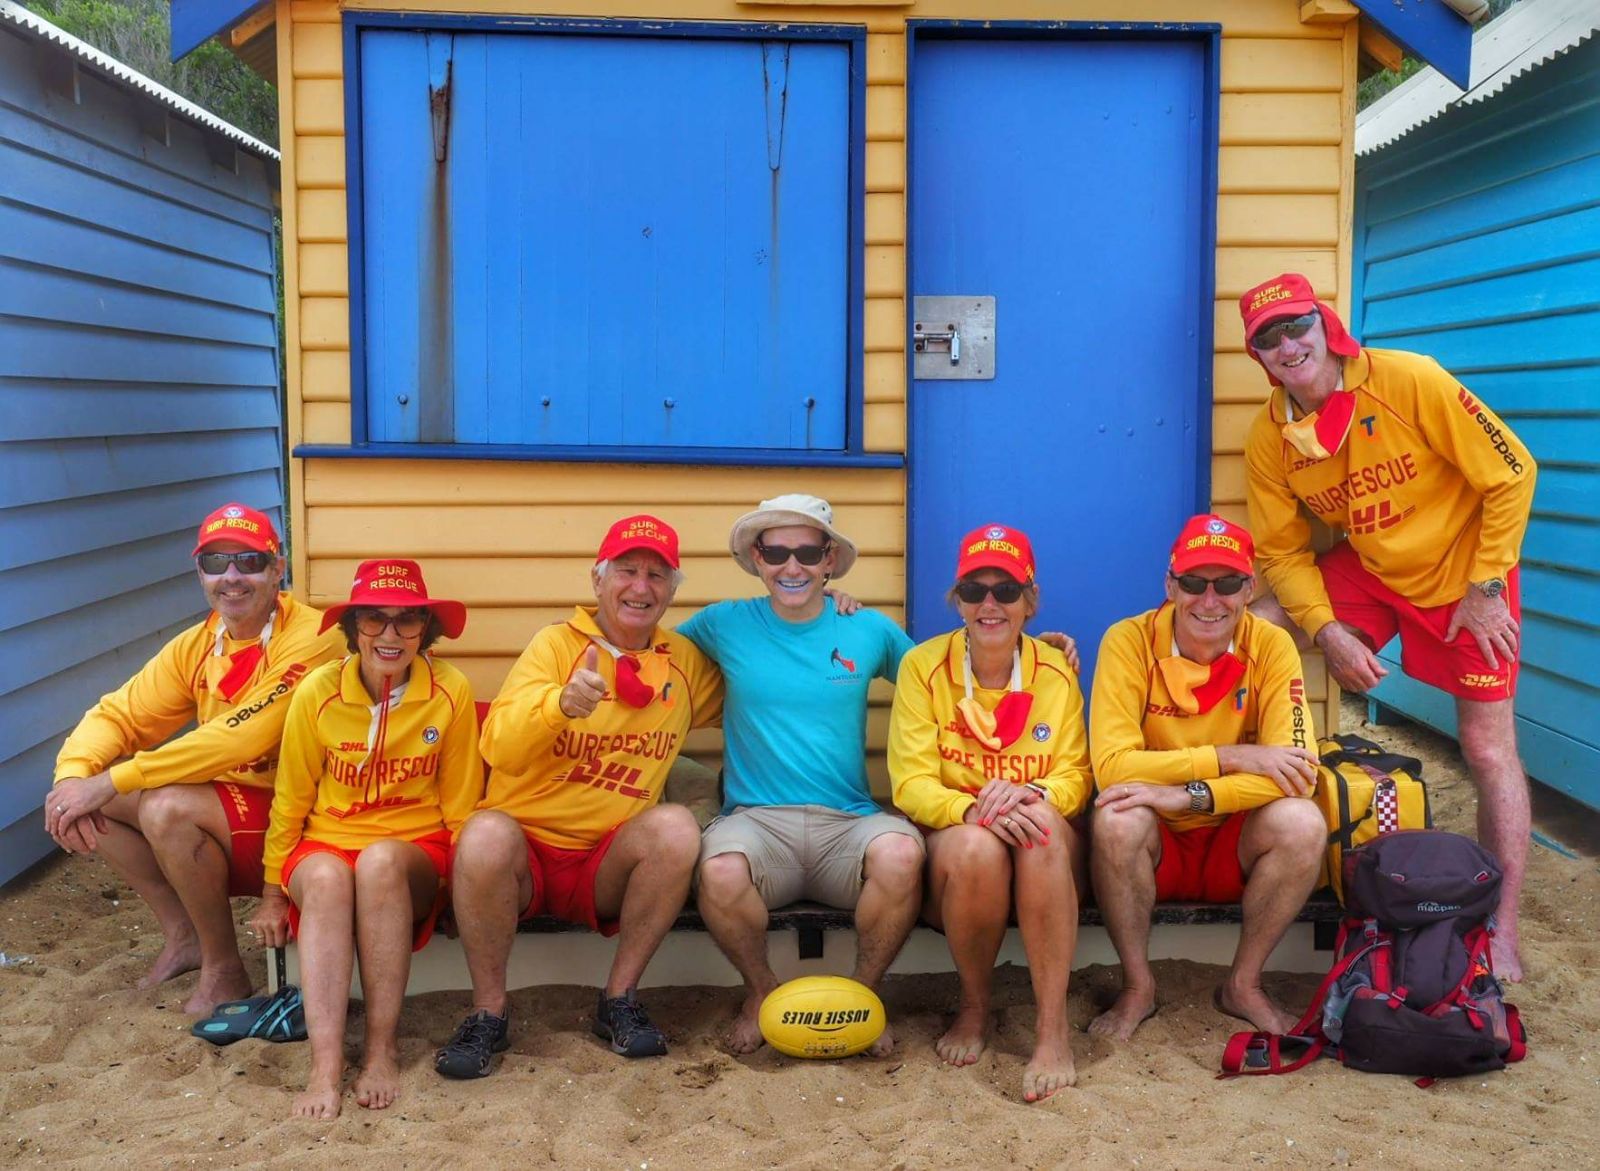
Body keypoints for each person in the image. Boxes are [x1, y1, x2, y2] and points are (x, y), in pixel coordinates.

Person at [1239, 273, 1538, 979]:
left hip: (1468, 575)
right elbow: (1281, 550)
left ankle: (1501, 926)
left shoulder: (1408, 380)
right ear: (1257, 354)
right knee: (1262, 619)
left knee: (1488, 748)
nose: (1288, 345)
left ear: (1324, 325)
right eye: (1268, 337)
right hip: (1375, 569)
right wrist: (1329, 631)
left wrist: (1489, 585)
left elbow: (1514, 471)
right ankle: (1227, 799)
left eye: (1296, 325)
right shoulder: (1273, 433)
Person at [437, 516, 723, 1077]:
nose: (640, 587)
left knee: (676, 828)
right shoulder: (555, 644)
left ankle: (619, 1000)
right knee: (486, 831)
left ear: (671, 591)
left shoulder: (684, 663)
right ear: (598, 581)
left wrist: (820, 606)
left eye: (656, 575)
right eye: (627, 571)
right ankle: (488, 1012)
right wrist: (560, 705)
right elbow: (498, 745)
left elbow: (765, 676)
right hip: (525, 857)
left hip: (607, 861)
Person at [45, 503, 343, 1013]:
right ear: (198, 572)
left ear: (278, 569)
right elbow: (119, 714)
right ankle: (184, 936)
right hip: (229, 805)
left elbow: (240, 738)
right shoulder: (200, 643)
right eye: (216, 562)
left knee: (164, 806)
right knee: (84, 792)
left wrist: (118, 779)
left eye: (249, 562)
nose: (232, 577)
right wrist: (73, 778)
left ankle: (225, 969)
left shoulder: (316, 637)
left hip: (299, 819)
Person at [686, 494, 924, 1056]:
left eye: (808, 553)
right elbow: (647, 654)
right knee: (719, 872)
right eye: (777, 552)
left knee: (903, 856)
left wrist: (1038, 652)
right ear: (757, 558)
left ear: (829, 561)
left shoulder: (867, 628)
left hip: (848, 822)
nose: (792, 567)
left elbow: (941, 682)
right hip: (757, 823)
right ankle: (762, 994)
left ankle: (863, 1000)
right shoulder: (723, 623)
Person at [250, 560, 482, 1119]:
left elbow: (461, 803)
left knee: (378, 863)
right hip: (326, 841)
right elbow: (292, 798)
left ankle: (381, 1049)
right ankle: (324, 1066)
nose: (390, 635)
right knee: (328, 877)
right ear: (353, 629)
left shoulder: (450, 691)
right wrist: (273, 892)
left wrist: (457, 893)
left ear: (426, 630)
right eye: (374, 619)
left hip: (413, 850)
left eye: (407, 621)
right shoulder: (316, 693)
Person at [1088, 514, 1325, 1040]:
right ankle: (1137, 987)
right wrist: (1231, 756)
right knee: (1116, 819)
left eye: (1228, 583)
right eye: (1194, 582)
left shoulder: (1272, 645)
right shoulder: (1127, 641)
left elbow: (1300, 772)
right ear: (1171, 585)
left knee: (1302, 821)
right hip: (1159, 843)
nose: (1209, 600)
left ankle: (1243, 984)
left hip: (1234, 838)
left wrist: (1186, 794)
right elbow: (1112, 768)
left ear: (1250, 587)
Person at [888, 524, 1092, 1101]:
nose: (990, 603)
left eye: (1006, 589)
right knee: (977, 846)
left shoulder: (1056, 671)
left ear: (1031, 600)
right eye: (974, 590)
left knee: (1044, 829)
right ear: (957, 600)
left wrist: (1033, 797)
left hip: (1038, 839)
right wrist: (976, 808)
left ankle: (1051, 1030)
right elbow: (910, 782)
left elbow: (1076, 774)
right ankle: (974, 1007)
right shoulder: (924, 667)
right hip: (962, 841)